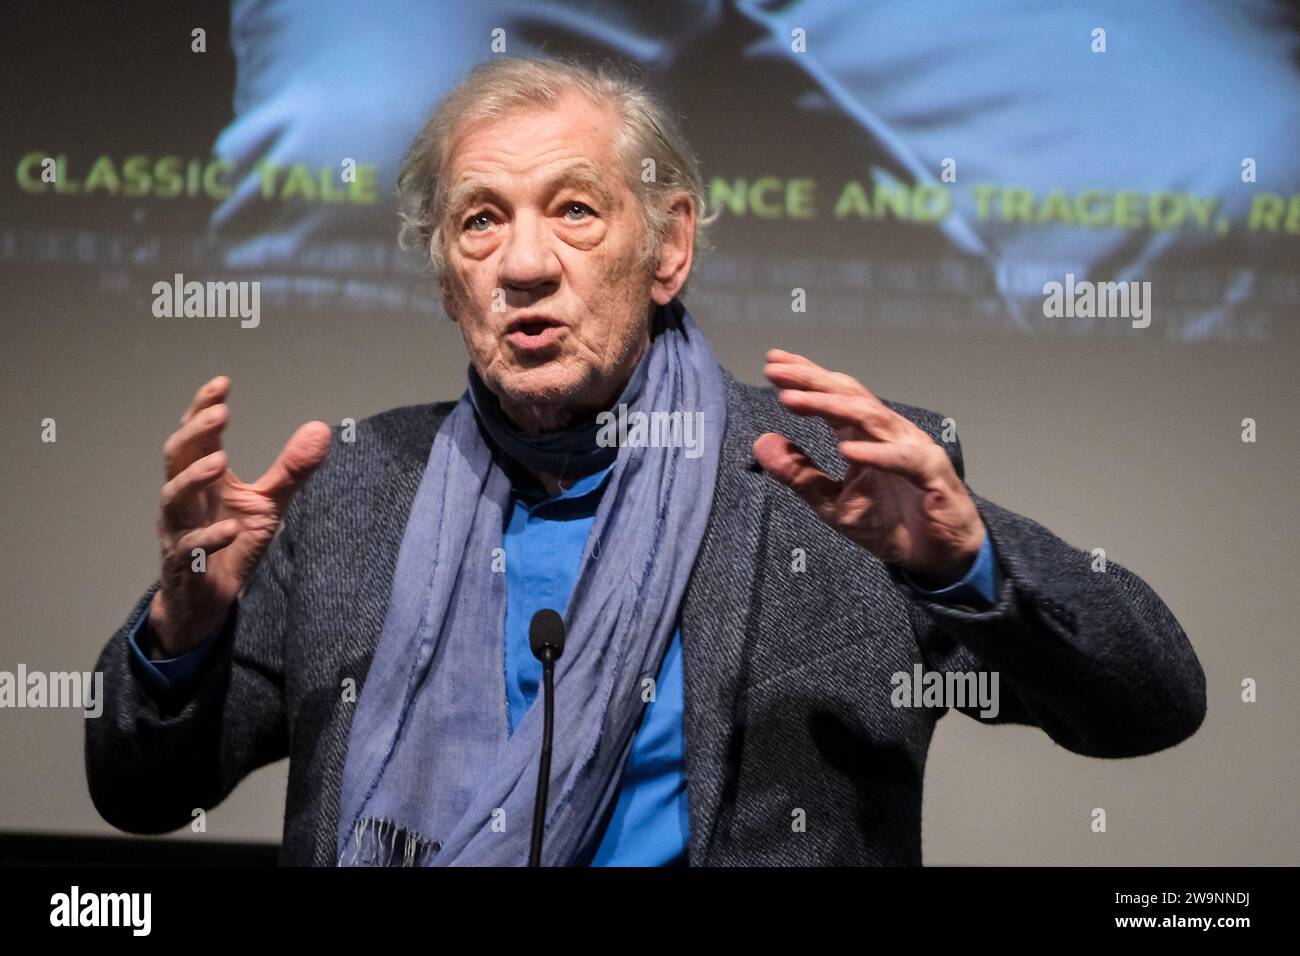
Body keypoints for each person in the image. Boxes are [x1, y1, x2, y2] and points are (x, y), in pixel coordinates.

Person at [87, 57, 1206, 866]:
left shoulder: (837, 481)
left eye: (574, 211)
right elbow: (140, 794)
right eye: (480, 222)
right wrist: (182, 631)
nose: (523, 262)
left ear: (668, 246)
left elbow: (1148, 701)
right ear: (444, 278)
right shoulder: (354, 487)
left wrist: (963, 567)